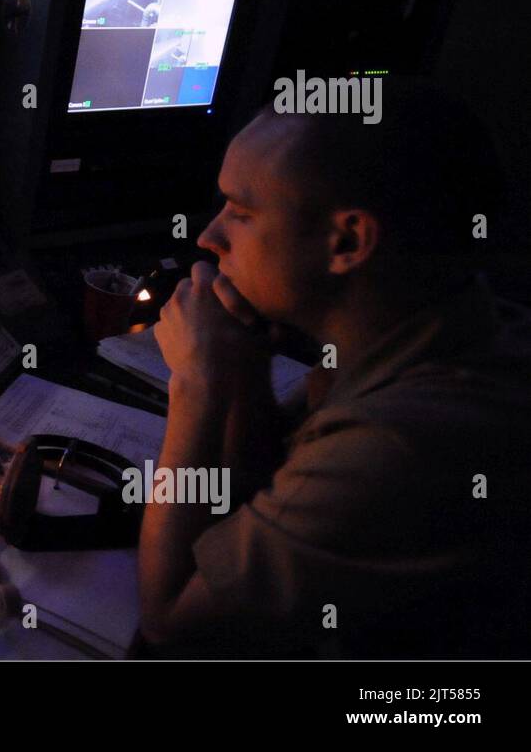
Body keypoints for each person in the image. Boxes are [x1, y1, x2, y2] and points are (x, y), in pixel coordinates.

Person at [141, 78, 531, 658]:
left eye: (241, 212)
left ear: (348, 241)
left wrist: (196, 386)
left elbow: (169, 618)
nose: (209, 235)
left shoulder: (400, 443)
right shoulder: (439, 324)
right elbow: (268, 488)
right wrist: (241, 366)